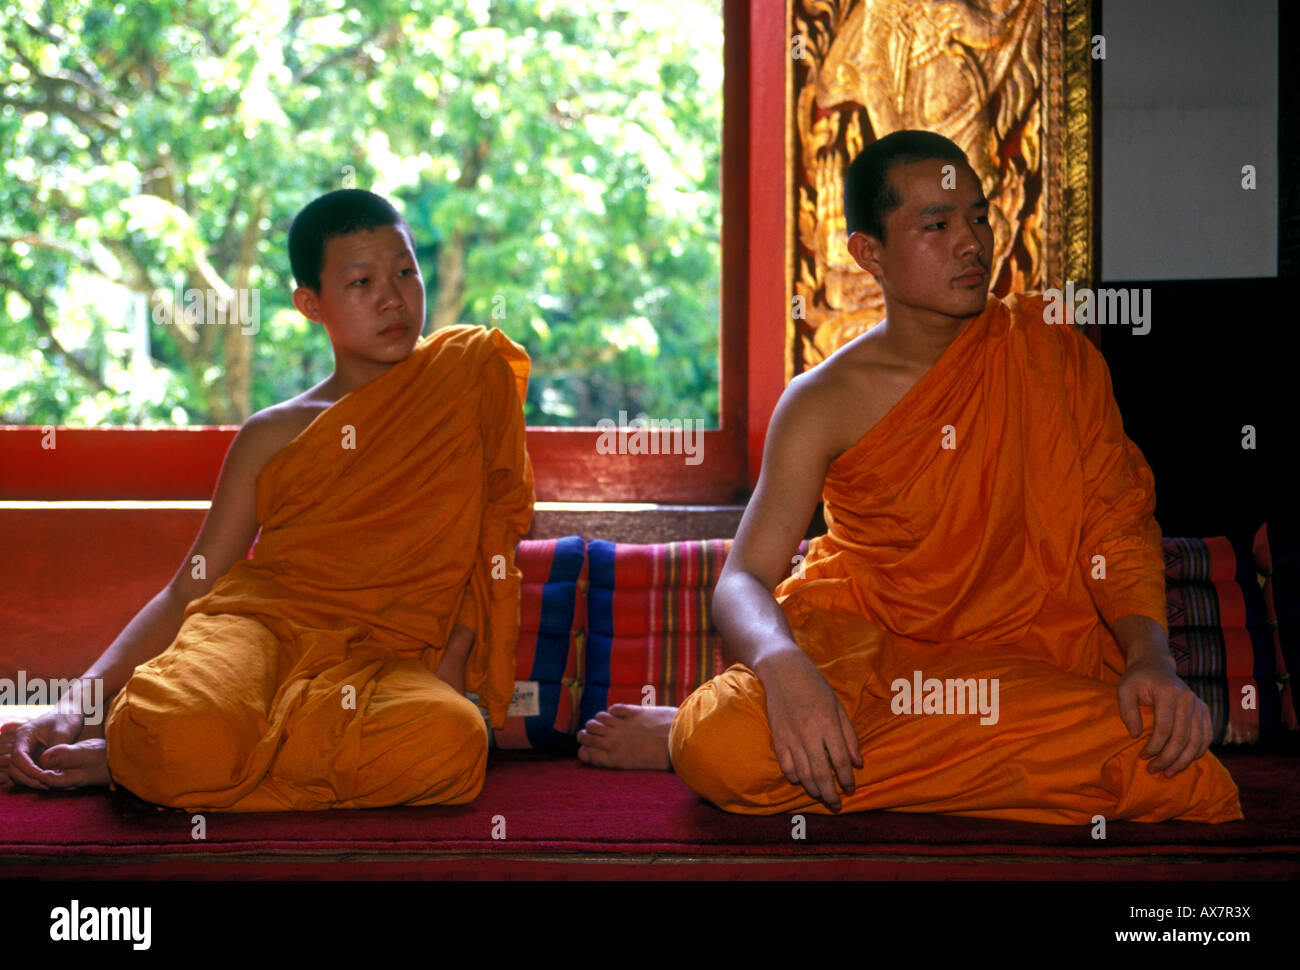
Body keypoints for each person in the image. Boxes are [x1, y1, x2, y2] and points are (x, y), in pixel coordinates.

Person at [577, 130, 1242, 825]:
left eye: (980, 218)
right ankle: (749, 738)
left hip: (1023, 668)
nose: (972, 243)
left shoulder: (1054, 356)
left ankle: (809, 757)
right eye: (939, 224)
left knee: (1175, 768)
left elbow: (1118, 524)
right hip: (873, 665)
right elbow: (742, 579)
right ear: (871, 254)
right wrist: (782, 667)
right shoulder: (821, 400)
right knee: (726, 748)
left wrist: (1150, 659)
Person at [1, 189, 534, 811]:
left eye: (406, 271)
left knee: (451, 743)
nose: (394, 298)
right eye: (362, 281)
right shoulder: (273, 433)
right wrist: (75, 704)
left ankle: (139, 764)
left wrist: (454, 661)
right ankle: (169, 756)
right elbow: (190, 586)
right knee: (177, 728)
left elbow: (496, 531)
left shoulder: (468, 375)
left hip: (386, 660)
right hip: (256, 635)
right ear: (310, 304)